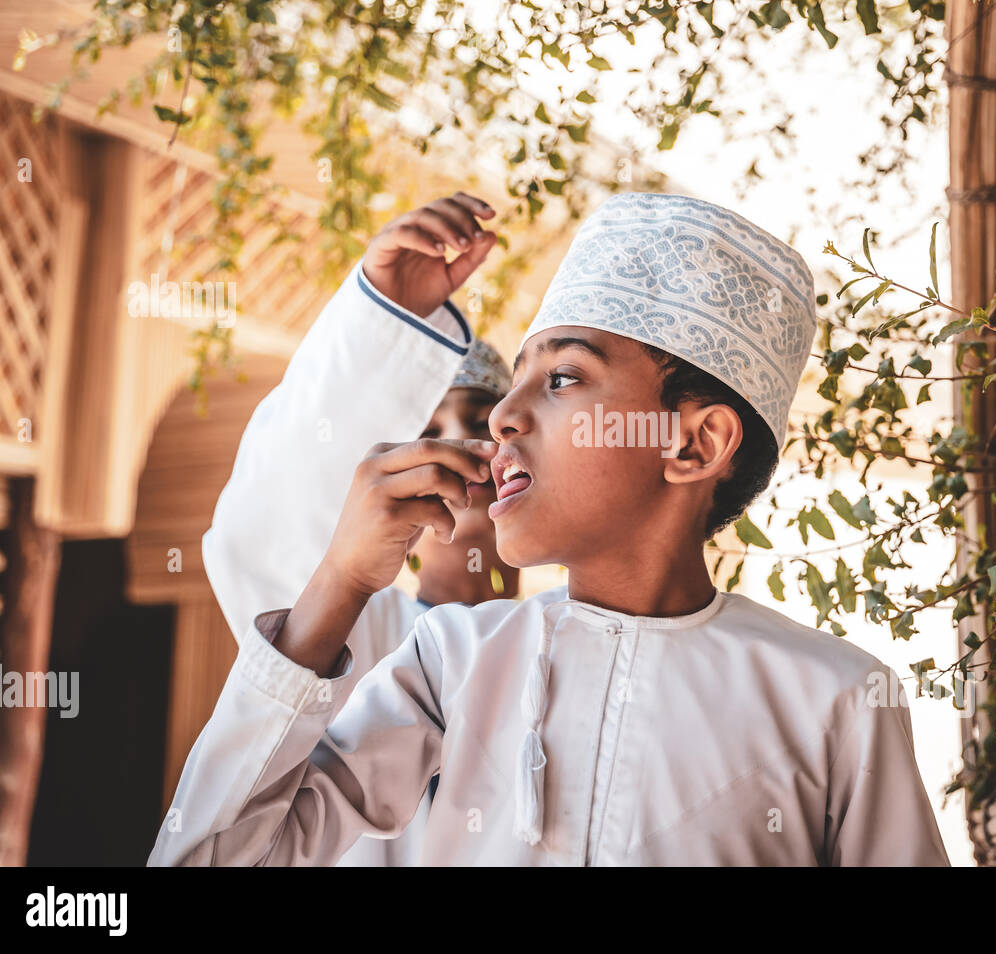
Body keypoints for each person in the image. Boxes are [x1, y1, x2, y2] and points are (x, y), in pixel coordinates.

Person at [151, 190, 951, 866]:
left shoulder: (834, 700)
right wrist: (340, 581)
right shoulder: (447, 664)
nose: (501, 417)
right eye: (517, 382)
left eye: (564, 378)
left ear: (694, 442)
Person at [195, 194, 517, 866]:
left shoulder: (566, 642)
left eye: (481, 424)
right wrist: (387, 321)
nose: (457, 445)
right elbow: (261, 530)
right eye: (427, 434)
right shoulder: (358, 633)